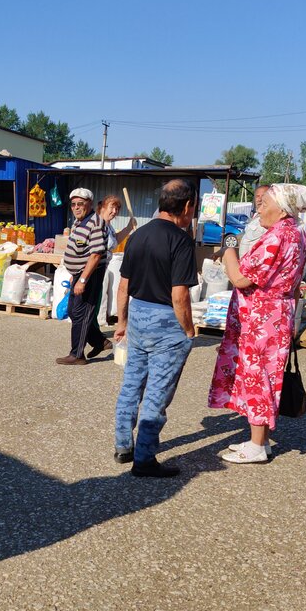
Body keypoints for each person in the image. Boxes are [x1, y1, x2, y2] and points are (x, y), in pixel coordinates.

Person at [208, 182, 306, 464]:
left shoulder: (279, 235)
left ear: (282, 208)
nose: (259, 209)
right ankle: (261, 441)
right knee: (262, 374)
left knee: (257, 376)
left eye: (265, 204)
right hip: (273, 314)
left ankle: (256, 445)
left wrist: (228, 245)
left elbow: (241, 277)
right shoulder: (295, 232)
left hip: (263, 316)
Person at [114, 178, 198, 477]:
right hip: (166, 322)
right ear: (187, 206)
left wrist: (122, 322)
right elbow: (180, 295)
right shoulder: (181, 240)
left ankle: (123, 446)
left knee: (132, 384)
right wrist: (189, 330)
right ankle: (145, 459)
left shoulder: (137, 236)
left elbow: (123, 287)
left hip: (138, 315)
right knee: (156, 393)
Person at [56, 187, 110, 366]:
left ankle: (77, 354)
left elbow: (95, 255)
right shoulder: (79, 222)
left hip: (90, 275)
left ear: (90, 204)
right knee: (73, 311)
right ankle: (100, 342)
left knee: (81, 313)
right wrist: (75, 275)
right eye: (73, 204)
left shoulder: (95, 222)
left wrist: (83, 279)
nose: (76, 207)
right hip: (80, 274)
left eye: (81, 204)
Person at [97, 195, 137, 325]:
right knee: (96, 299)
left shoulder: (109, 226)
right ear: (103, 207)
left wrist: (128, 228)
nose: (114, 212)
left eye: (117, 209)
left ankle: (97, 324)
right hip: (95, 266)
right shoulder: (97, 224)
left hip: (103, 266)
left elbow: (114, 241)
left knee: (101, 298)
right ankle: (93, 326)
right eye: (112, 208)